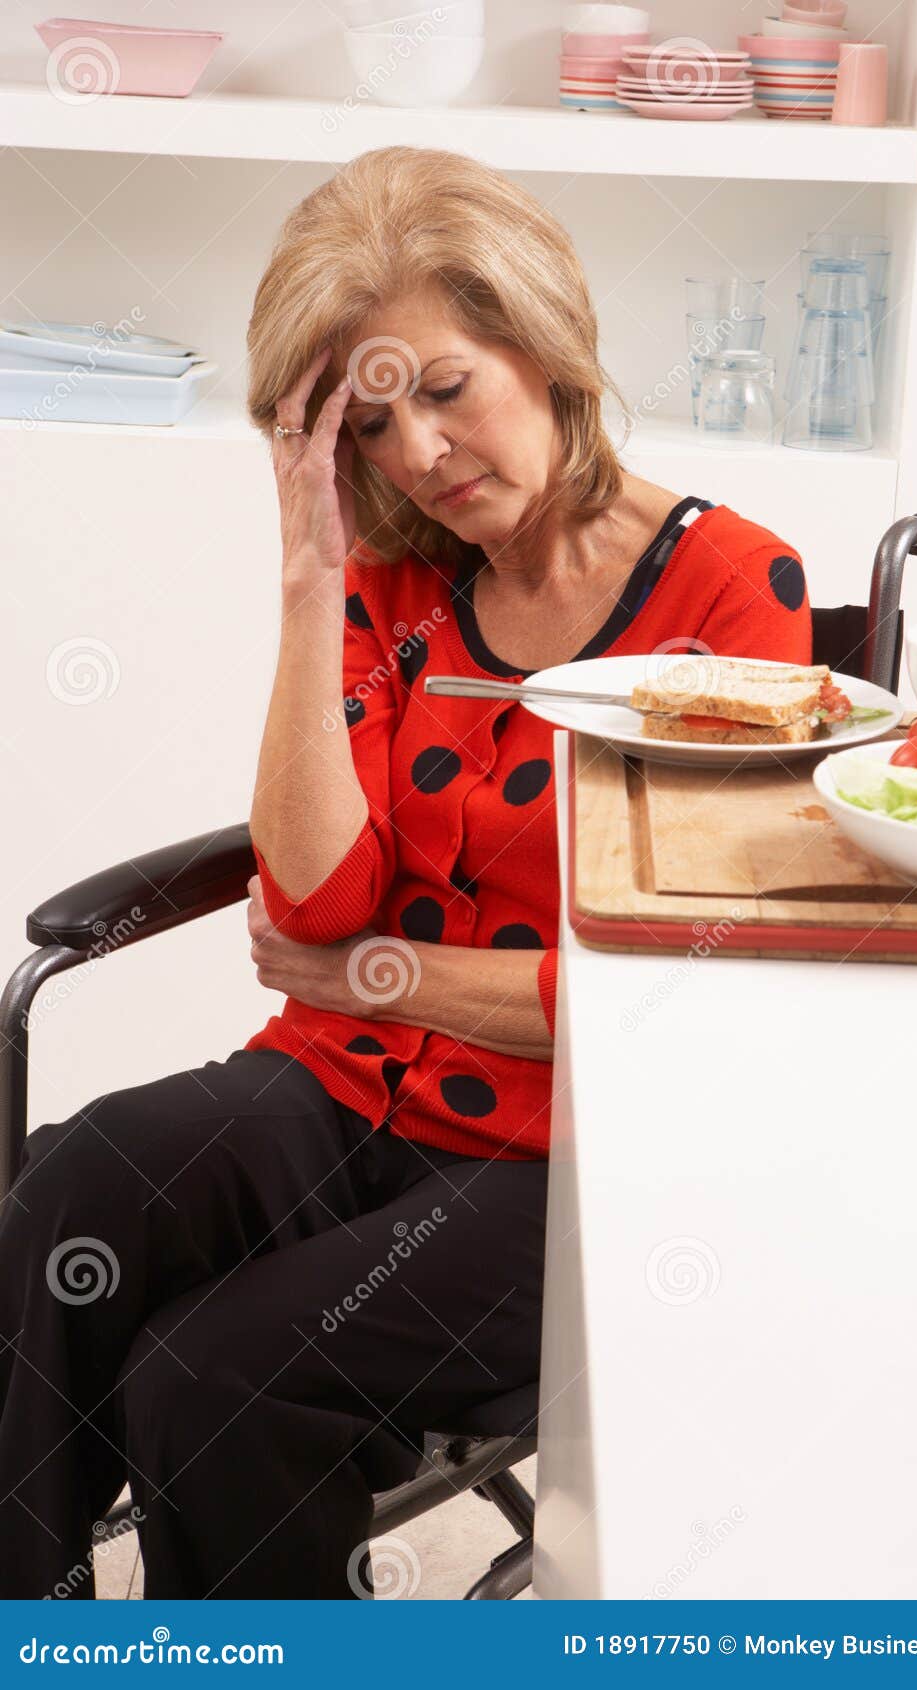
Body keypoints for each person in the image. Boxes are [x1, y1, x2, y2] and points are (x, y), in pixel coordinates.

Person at [0, 145, 812, 1599]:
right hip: (346, 1079)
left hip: (574, 1157)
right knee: (66, 1188)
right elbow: (318, 906)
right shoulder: (391, 575)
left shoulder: (731, 594)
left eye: (447, 388)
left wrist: (389, 974)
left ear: (546, 343)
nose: (422, 454)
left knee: (212, 1378)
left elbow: (674, 999)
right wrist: (312, 585)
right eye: (373, 425)